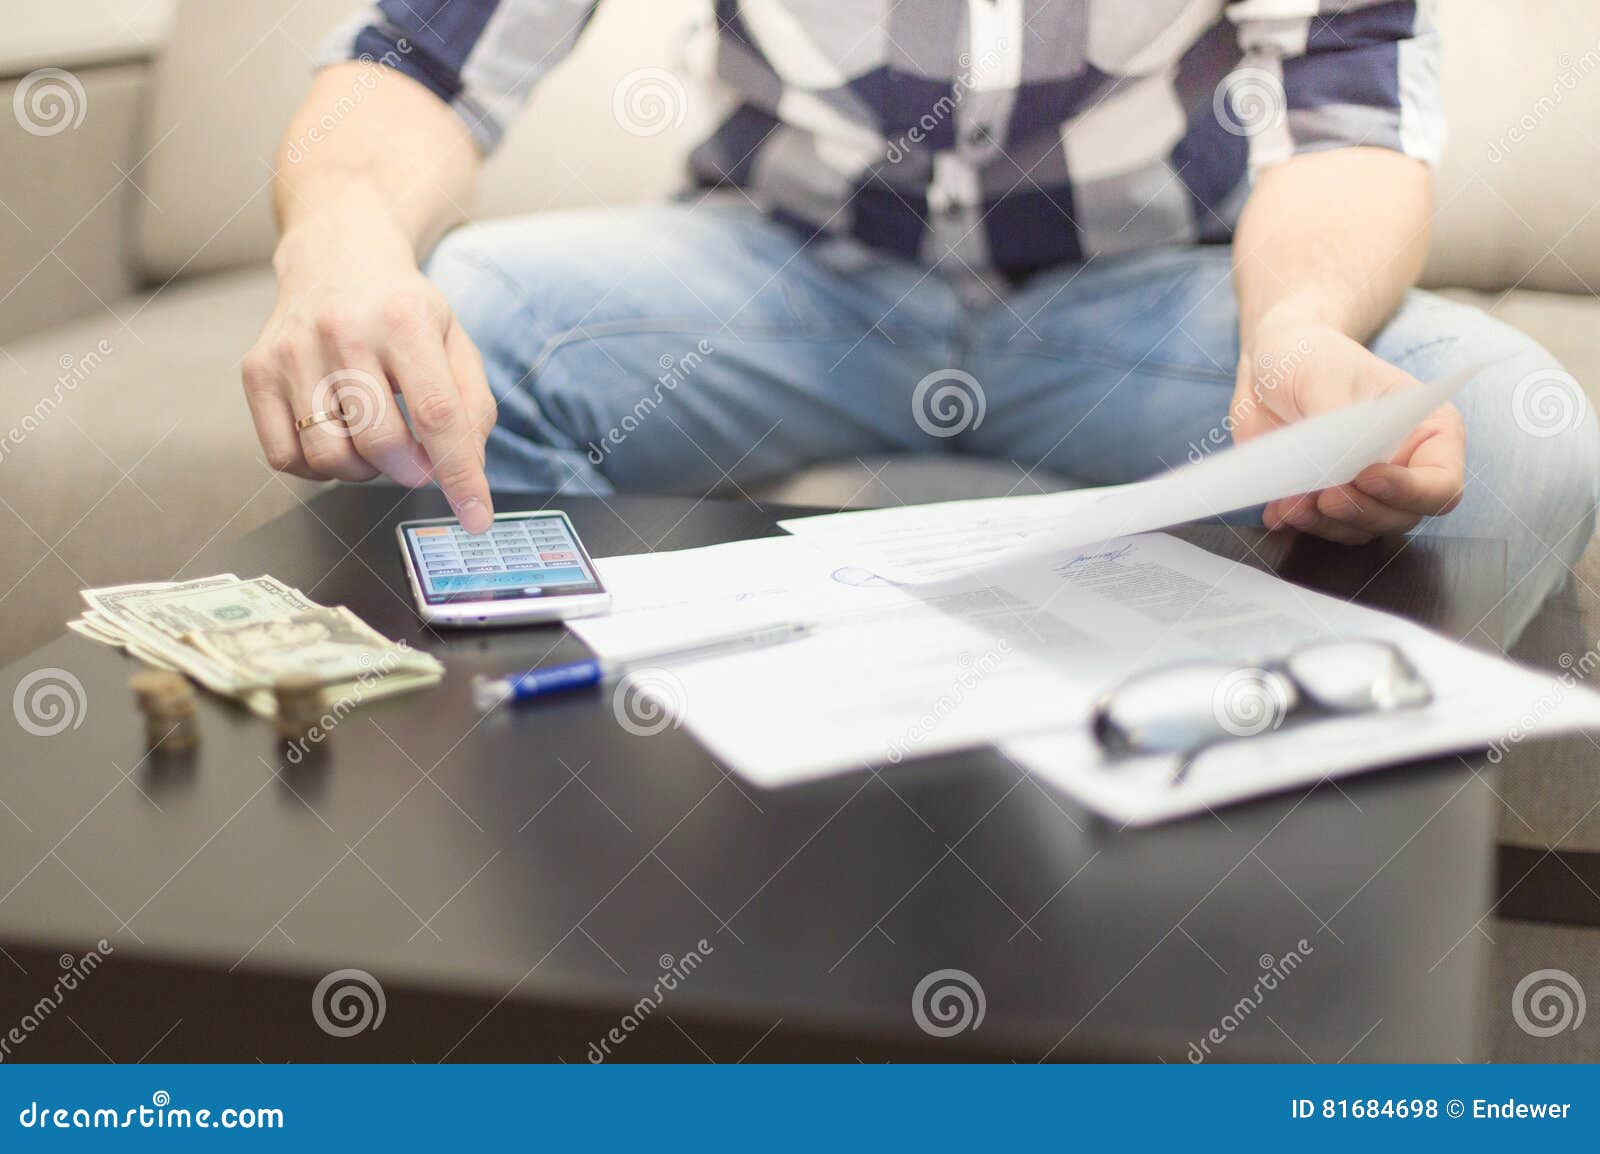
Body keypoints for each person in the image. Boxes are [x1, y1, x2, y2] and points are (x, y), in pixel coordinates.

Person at [244, 0, 1598, 644]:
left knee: (1500, 439)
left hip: (1152, 293)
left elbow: (1345, 120)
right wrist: (341, 237)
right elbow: (416, 63)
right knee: (439, 347)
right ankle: (620, 850)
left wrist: (1298, 326)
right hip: (789, 271)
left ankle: (1233, 906)